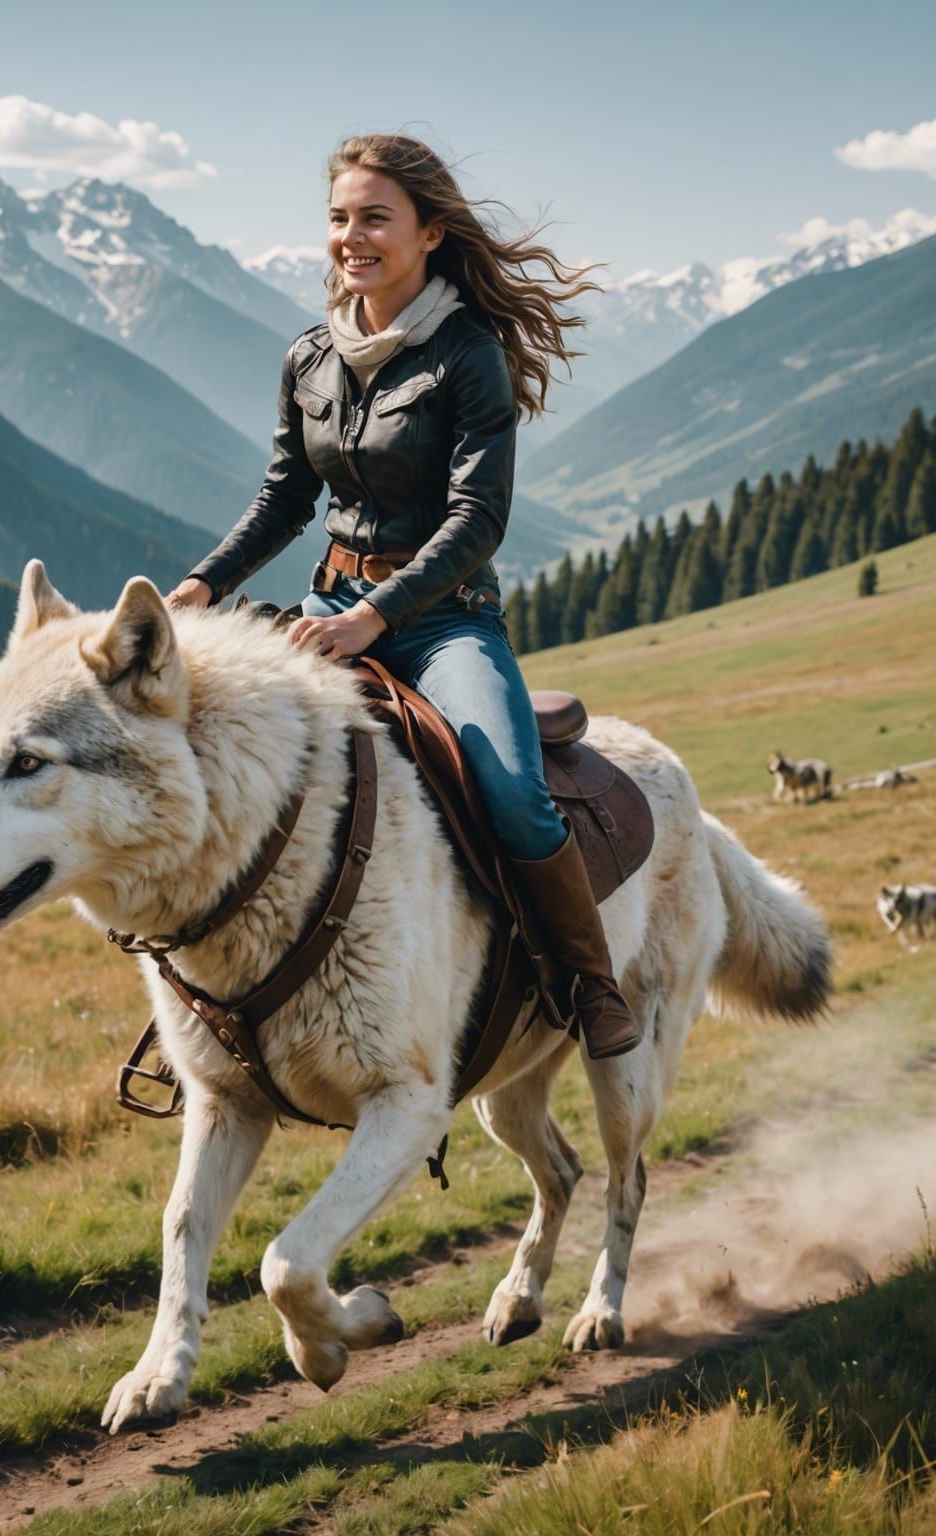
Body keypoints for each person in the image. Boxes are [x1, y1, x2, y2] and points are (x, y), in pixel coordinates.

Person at [166, 134, 639, 1060]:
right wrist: (203, 584)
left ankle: (587, 983)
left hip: (442, 624)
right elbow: (283, 497)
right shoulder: (310, 356)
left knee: (513, 794)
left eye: (375, 217)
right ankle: (221, 1011)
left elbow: (479, 519)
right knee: (214, 756)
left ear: (429, 233)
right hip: (326, 609)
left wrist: (374, 619)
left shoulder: (468, 354)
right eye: (339, 218)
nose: (352, 236)